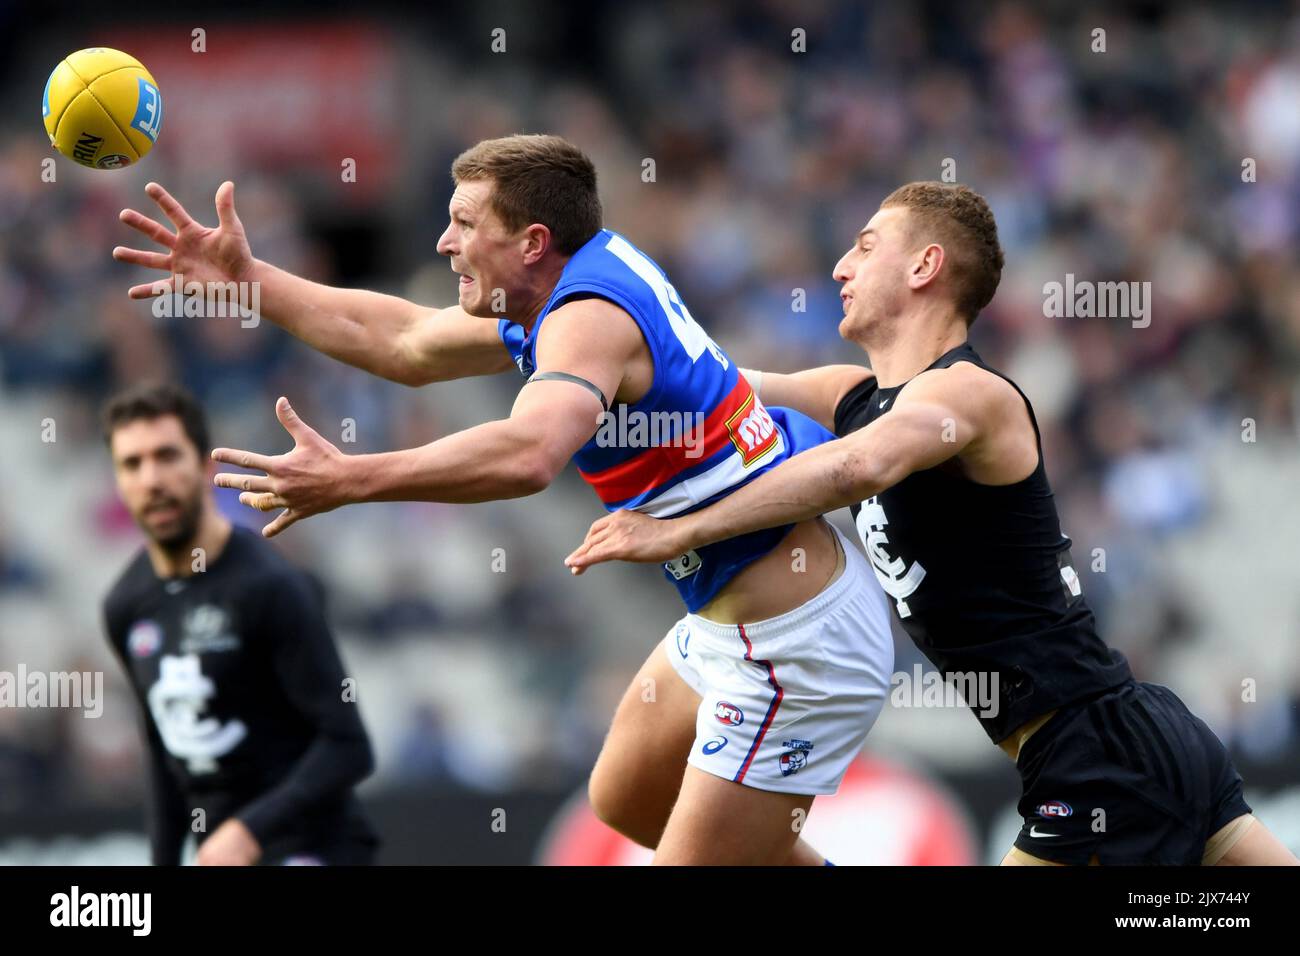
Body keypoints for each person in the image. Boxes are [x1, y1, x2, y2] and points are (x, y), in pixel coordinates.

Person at [111, 134, 895, 866]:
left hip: (796, 644)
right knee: (627, 798)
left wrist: (355, 479)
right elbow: (407, 343)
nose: (445, 242)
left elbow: (528, 455)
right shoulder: (558, 289)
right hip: (735, 617)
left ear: (531, 244)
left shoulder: (586, 319)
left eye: (462, 223)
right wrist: (252, 281)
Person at [565, 181, 1299, 866]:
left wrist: (682, 529)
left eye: (864, 244)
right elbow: (690, 375)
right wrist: (565, 342)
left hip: (1094, 756)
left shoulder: (971, 396)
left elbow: (855, 469)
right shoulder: (852, 397)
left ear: (925, 265)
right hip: (1137, 739)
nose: (839, 265)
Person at [101, 382, 378, 865]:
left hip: (311, 847)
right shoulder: (125, 605)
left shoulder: (270, 586)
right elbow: (165, 759)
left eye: (167, 456)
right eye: (132, 463)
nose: (151, 479)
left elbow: (349, 746)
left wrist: (247, 832)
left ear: (206, 467)